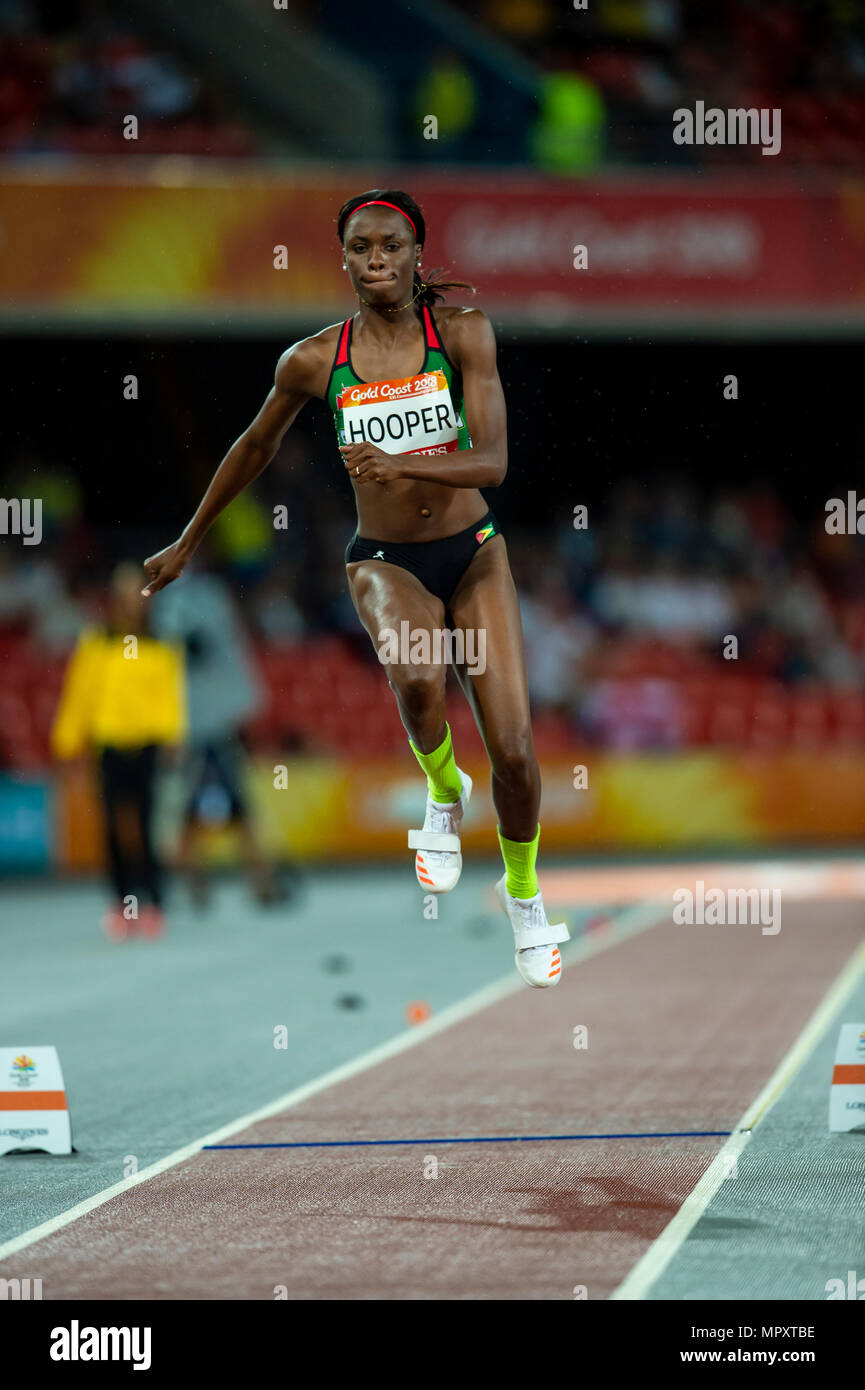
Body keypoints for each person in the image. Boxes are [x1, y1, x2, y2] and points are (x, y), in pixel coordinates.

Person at [141, 188, 567, 988]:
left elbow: (493, 463)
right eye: (362, 247)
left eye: (392, 246)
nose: (377, 260)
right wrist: (188, 540)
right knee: (416, 680)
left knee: (513, 749)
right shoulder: (312, 361)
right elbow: (252, 445)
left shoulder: (465, 336)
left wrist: (398, 462)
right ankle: (444, 788)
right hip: (384, 558)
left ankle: (523, 900)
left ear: (416, 255)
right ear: (343, 259)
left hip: (474, 550)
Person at [51, 561, 186, 939]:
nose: (131, 600)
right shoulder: (97, 642)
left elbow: (170, 697)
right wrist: (68, 740)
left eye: (136, 592)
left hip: (147, 744)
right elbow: (80, 694)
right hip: (109, 744)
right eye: (123, 592)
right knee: (112, 827)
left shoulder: (162, 643)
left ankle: (155, 903)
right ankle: (122, 906)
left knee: (146, 827)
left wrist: (174, 737)